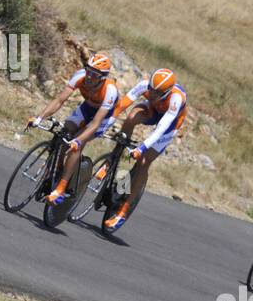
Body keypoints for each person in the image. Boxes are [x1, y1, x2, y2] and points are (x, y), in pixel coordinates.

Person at [25, 53, 118, 206]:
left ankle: (61, 187)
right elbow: (60, 100)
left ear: (102, 77)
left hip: (104, 117)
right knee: (64, 132)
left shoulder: (110, 91)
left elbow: (95, 124)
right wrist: (39, 118)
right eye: (88, 70)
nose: (89, 76)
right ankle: (56, 172)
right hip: (87, 108)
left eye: (94, 74)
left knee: (76, 145)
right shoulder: (80, 76)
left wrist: (78, 140)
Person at [102, 68, 188, 230]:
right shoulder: (145, 86)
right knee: (131, 117)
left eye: (157, 92)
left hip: (170, 123)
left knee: (143, 161)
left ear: (166, 92)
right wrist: (106, 123)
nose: (152, 94)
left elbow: (161, 128)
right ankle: (114, 159)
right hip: (154, 110)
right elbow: (123, 104)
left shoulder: (176, 98)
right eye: (151, 90)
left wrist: (142, 147)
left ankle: (123, 211)